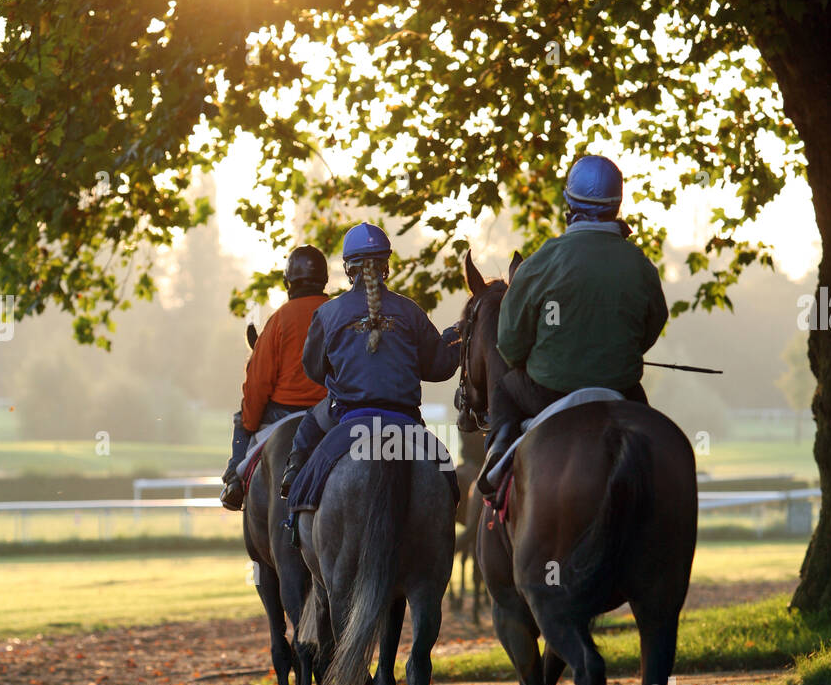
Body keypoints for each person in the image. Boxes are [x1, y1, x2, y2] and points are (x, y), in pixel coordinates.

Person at [475, 155, 669, 494]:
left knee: (505, 389)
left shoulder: (541, 262)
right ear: (617, 206)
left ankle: (496, 461)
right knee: (652, 441)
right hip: (620, 388)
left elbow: (509, 345)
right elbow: (651, 326)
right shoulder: (641, 266)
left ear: (570, 204)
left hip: (547, 390)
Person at [279, 222, 461, 497]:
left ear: (347, 268)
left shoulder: (328, 314)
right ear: (386, 264)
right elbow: (439, 367)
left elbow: (313, 369)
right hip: (406, 420)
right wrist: (454, 339)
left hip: (348, 414)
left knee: (309, 427)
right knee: (447, 478)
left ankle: (291, 487)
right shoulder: (410, 311)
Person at [220, 245, 330, 511]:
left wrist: (248, 422)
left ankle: (234, 481)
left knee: (240, 419)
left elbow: (257, 384)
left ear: (288, 282)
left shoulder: (278, 320)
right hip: (332, 412)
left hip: (282, 414)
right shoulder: (338, 314)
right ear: (324, 279)